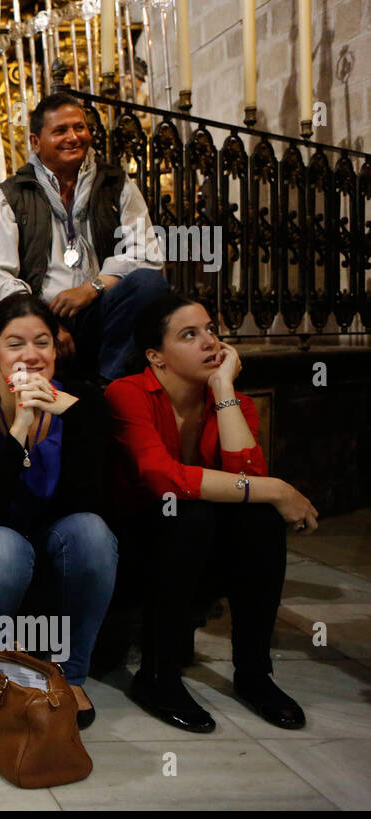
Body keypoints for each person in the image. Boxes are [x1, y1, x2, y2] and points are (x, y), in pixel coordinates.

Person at [107, 293, 318, 732]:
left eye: (211, 330)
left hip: (199, 549)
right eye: (190, 335)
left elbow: (248, 475)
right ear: (156, 357)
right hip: (133, 547)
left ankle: (254, 674)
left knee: (259, 518)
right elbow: (161, 479)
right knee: (187, 513)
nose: (210, 343)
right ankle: (158, 676)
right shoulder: (127, 393)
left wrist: (223, 389)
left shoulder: (232, 402)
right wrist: (277, 488)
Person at [0, 292, 116, 727]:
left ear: (56, 350)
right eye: (15, 343)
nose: (31, 355)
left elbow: (97, 500)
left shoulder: (83, 403)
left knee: (91, 533)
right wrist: (20, 426)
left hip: (52, 535)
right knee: (3, 547)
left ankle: (69, 675)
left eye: (42, 342)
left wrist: (70, 421)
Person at [0, 92, 168, 382]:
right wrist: (45, 323)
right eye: (60, 130)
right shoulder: (13, 194)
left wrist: (93, 287)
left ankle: (109, 384)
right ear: (35, 141)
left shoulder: (115, 184)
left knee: (150, 283)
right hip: (42, 317)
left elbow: (146, 254)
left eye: (79, 127)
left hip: (103, 308)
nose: (73, 137)